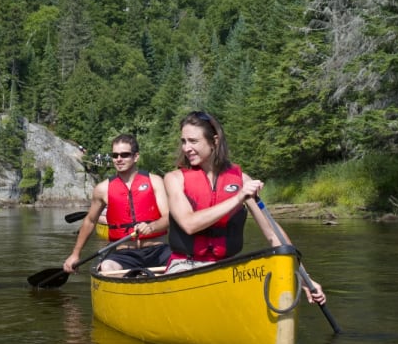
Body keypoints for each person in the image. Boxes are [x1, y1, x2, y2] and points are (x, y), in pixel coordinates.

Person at [163, 111, 326, 305]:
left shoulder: (241, 180)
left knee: (276, 279)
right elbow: (189, 224)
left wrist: (304, 277)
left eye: (193, 141)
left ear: (214, 141)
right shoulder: (174, 179)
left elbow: (274, 235)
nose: (186, 148)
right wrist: (238, 197)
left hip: (225, 267)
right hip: (185, 265)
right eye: (183, 141)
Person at [63, 134, 171, 275]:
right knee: (107, 268)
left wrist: (152, 227)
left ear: (136, 157)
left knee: (182, 264)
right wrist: (75, 254)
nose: (119, 159)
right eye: (115, 155)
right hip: (124, 255)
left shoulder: (155, 181)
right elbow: (90, 221)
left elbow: (168, 217)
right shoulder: (102, 189)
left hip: (158, 251)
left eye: (125, 155)